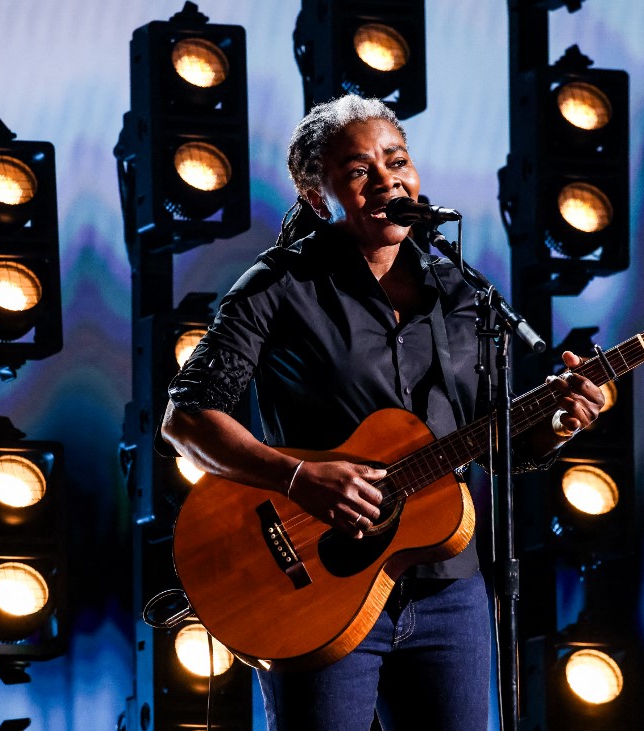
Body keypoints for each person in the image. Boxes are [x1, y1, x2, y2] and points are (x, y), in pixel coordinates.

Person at [160, 95, 604, 731]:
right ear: (319, 198)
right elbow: (187, 418)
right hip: (316, 581)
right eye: (359, 170)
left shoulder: (461, 292)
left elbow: (494, 440)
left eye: (397, 161)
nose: (388, 180)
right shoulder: (278, 285)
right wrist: (298, 478)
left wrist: (559, 421)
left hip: (448, 588)